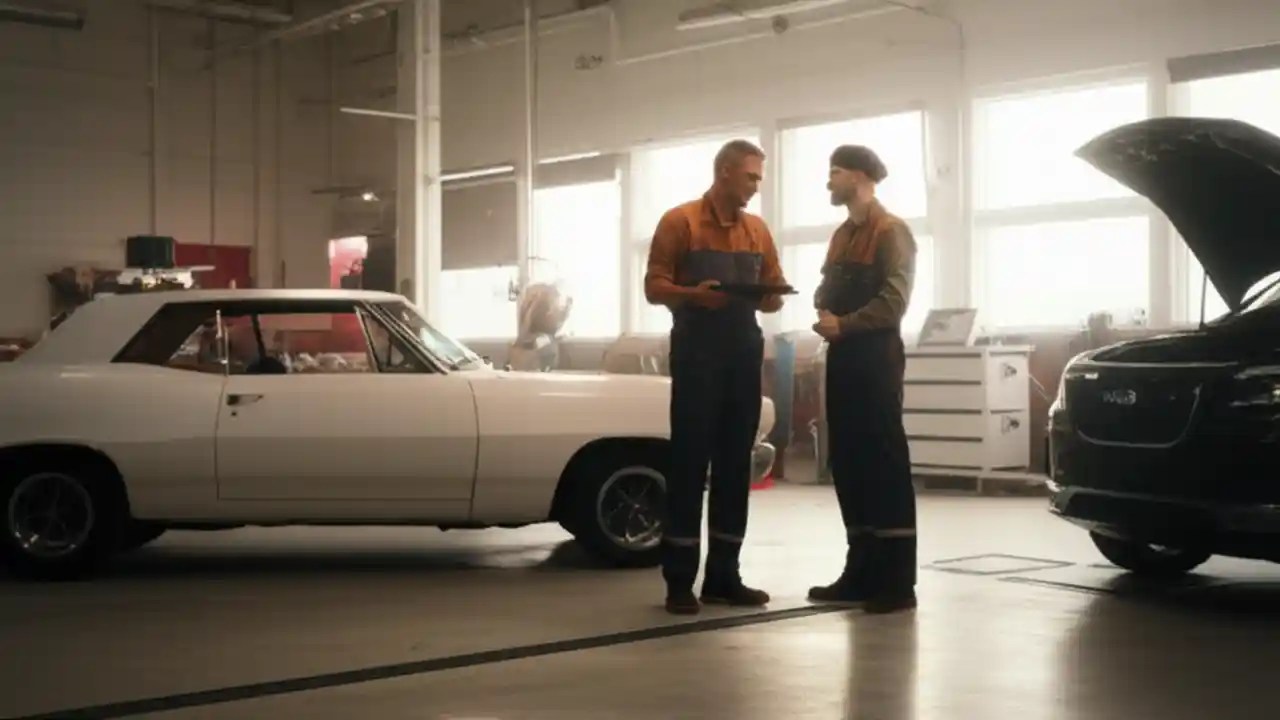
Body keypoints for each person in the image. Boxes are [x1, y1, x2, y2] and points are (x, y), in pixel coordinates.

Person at [644, 139, 788, 615]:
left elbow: (774, 287)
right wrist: (691, 294)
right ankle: (679, 582)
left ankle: (725, 576)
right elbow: (654, 286)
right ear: (725, 171)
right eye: (750, 176)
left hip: (744, 351)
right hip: (697, 351)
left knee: (734, 463)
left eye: (759, 178)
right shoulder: (680, 221)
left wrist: (771, 299)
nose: (755, 186)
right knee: (688, 463)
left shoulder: (757, 231)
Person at [807, 144, 918, 614]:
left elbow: (895, 302)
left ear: (859, 177)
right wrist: (822, 304)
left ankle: (897, 582)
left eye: (835, 173)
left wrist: (844, 324)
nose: (829, 182)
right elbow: (825, 286)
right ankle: (860, 571)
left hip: (875, 357)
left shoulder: (893, 232)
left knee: (883, 461)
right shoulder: (840, 236)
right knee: (848, 461)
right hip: (843, 356)